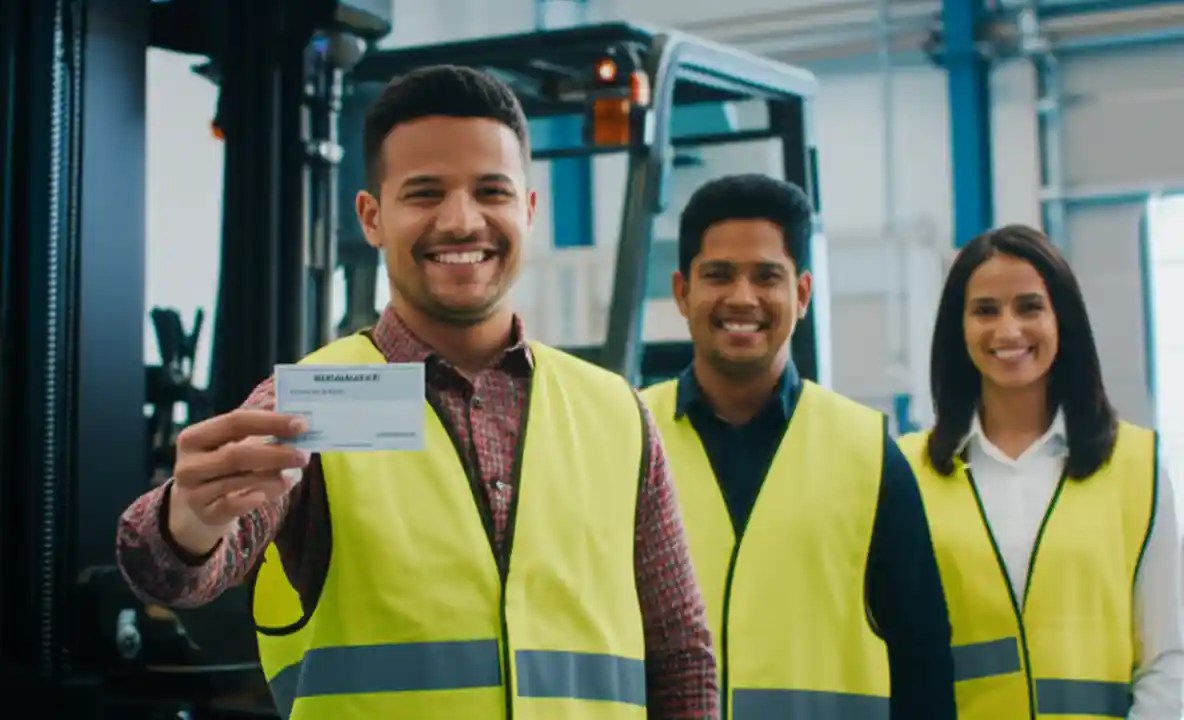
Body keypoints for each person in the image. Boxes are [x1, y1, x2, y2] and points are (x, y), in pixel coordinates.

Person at [116, 64, 719, 720]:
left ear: (530, 208)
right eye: (425, 193)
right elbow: (177, 572)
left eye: (491, 191)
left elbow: (680, 652)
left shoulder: (614, 412)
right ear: (372, 217)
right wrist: (191, 520)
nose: (461, 221)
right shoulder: (330, 398)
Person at [640, 173, 958, 720]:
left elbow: (923, 659)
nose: (742, 298)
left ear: (802, 294)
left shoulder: (868, 454)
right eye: (718, 275)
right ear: (682, 293)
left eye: (767, 276)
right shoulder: (627, 437)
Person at [897, 224, 1183, 719]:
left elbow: (1168, 656)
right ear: (957, 328)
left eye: (1029, 307)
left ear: (1062, 321)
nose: (1008, 330)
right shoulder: (907, 471)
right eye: (985, 310)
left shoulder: (1136, 465)